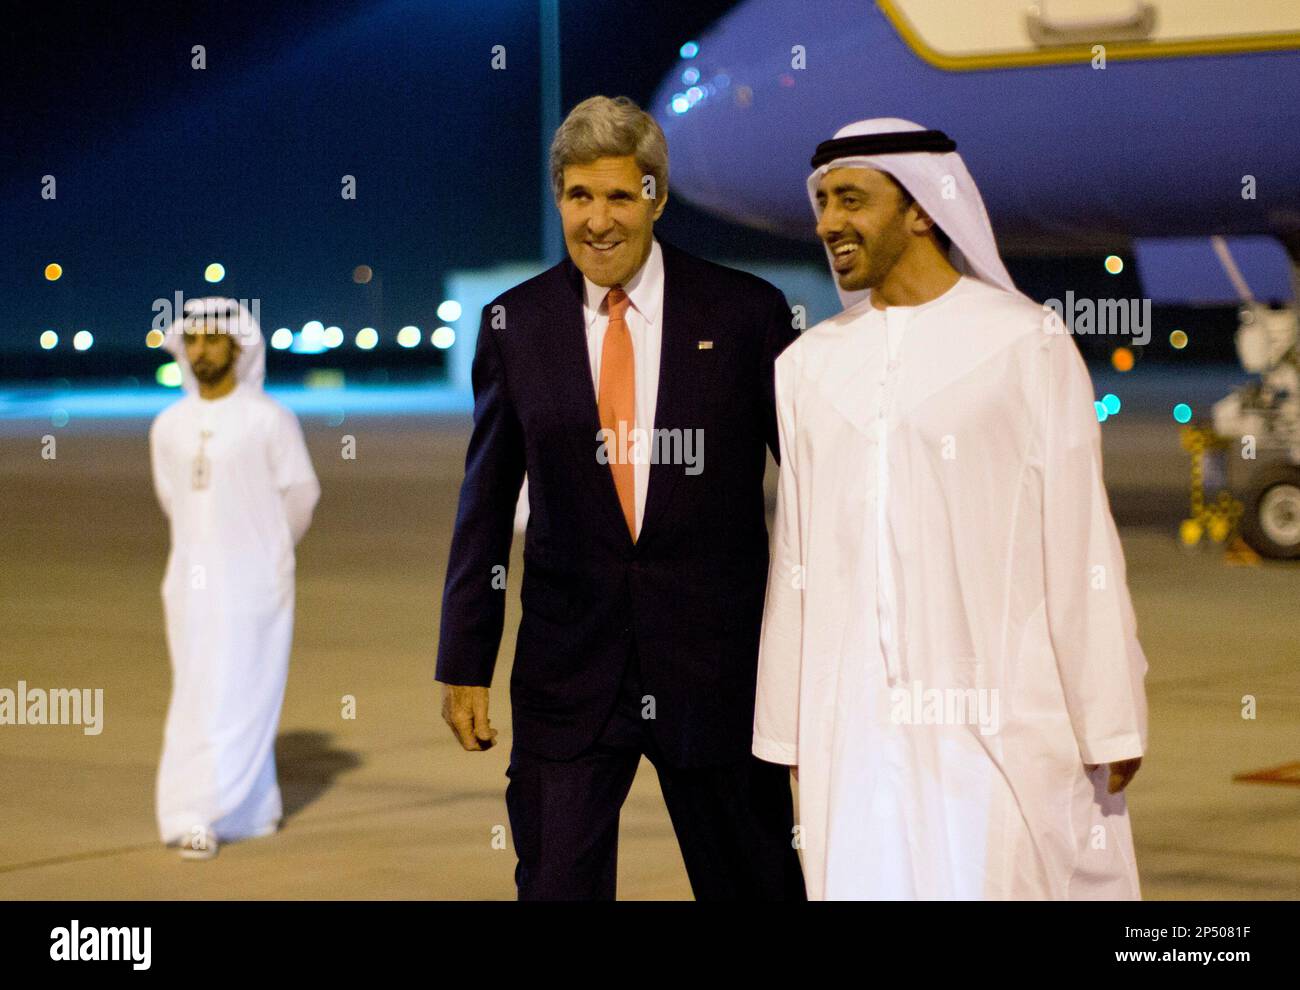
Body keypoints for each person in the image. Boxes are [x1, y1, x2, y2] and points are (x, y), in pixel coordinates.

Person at [753, 118, 1148, 900]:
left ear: (922, 208)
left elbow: (1079, 544)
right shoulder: (806, 367)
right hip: (854, 729)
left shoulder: (1025, 343)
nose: (828, 222)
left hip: (1002, 717)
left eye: (852, 199)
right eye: (823, 201)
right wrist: (789, 726)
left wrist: (1108, 713)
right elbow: (795, 558)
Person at [436, 95, 804, 900]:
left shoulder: (746, 314)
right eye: (579, 196)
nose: (598, 221)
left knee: (755, 885)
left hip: (715, 675)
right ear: (558, 199)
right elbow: (485, 503)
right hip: (569, 674)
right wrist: (465, 660)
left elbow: (816, 490)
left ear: (656, 198)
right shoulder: (514, 324)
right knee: (556, 885)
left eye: (618, 196)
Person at [149, 296, 319, 860]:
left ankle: (225, 813)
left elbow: (300, 497)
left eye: (212, 339)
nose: (200, 350)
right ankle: (212, 811)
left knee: (245, 693)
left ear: (238, 346)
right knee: (201, 694)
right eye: (192, 340)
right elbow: (174, 501)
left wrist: (264, 555)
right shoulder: (168, 425)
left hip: (254, 585)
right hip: (187, 584)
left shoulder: (269, 419)